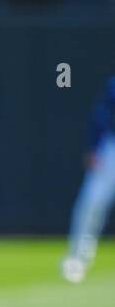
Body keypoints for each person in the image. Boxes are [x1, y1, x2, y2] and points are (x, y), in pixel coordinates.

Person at [61, 75, 115, 283]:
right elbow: (100, 115)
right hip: (111, 150)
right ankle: (77, 258)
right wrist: (93, 146)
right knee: (92, 203)